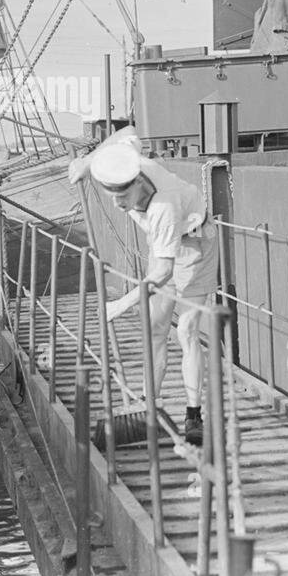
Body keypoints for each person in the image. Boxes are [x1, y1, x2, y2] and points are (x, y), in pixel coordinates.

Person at [72, 132, 220, 445]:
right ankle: (146, 407)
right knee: (155, 329)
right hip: (163, 245)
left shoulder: (163, 206)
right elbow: (126, 133)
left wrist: (119, 305)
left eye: (121, 198)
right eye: (110, 194)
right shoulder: (128, 160)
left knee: (187, 331)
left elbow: (163, 273)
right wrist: (86, 163)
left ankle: (194, 417)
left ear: (138, 183)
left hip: (194, 244)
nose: (116, 203)